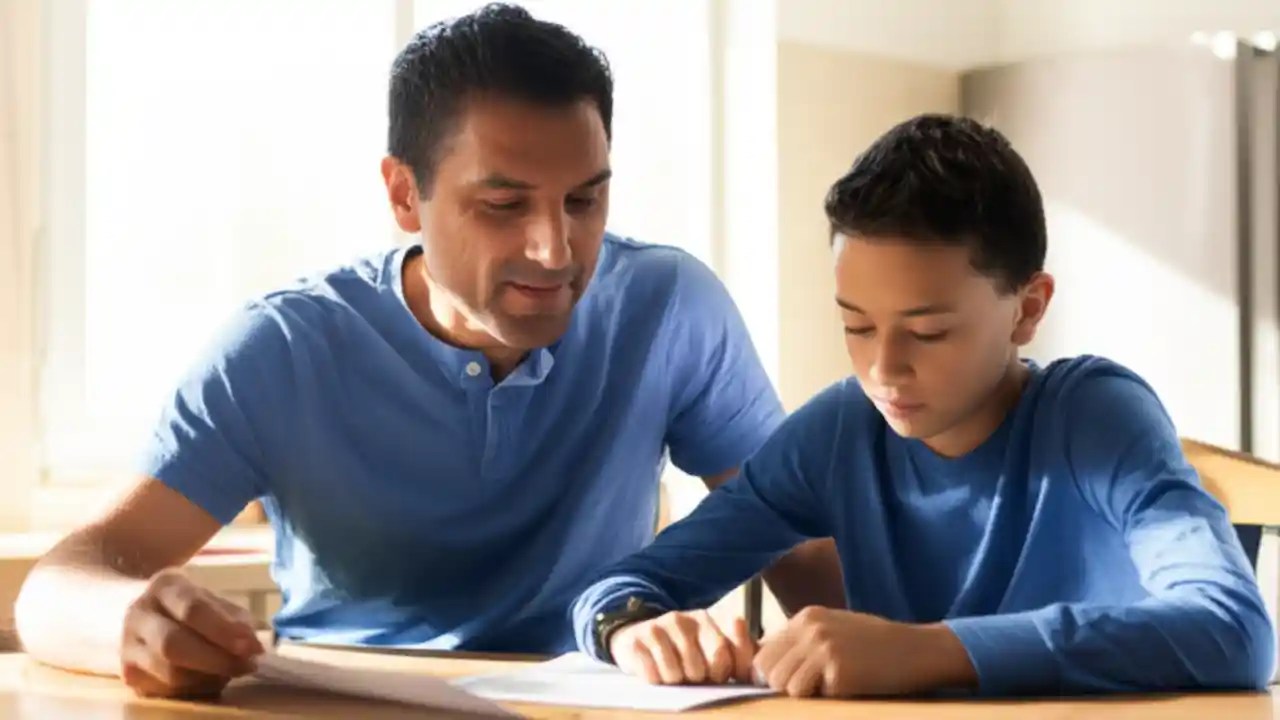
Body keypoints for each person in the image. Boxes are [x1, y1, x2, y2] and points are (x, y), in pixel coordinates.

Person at [15, 4, 843, 699]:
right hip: (337, 707)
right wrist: (127, 620)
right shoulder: (283, 347)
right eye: (503, 204)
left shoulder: (670, 307)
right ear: (405, 194)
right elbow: (60, 585)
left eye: (584, 200)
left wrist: (921, 642)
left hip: (590, 703)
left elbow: (804, 545)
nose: (555, 250)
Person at [571, 114, 1276, 698]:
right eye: (855, 324)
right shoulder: (842, 430)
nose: (883, 368)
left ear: (1027, 310)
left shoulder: (1095, 418)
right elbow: (621, 587)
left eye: (929, 332)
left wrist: (930, 650)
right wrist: (632, 629)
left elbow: (1234, 630)